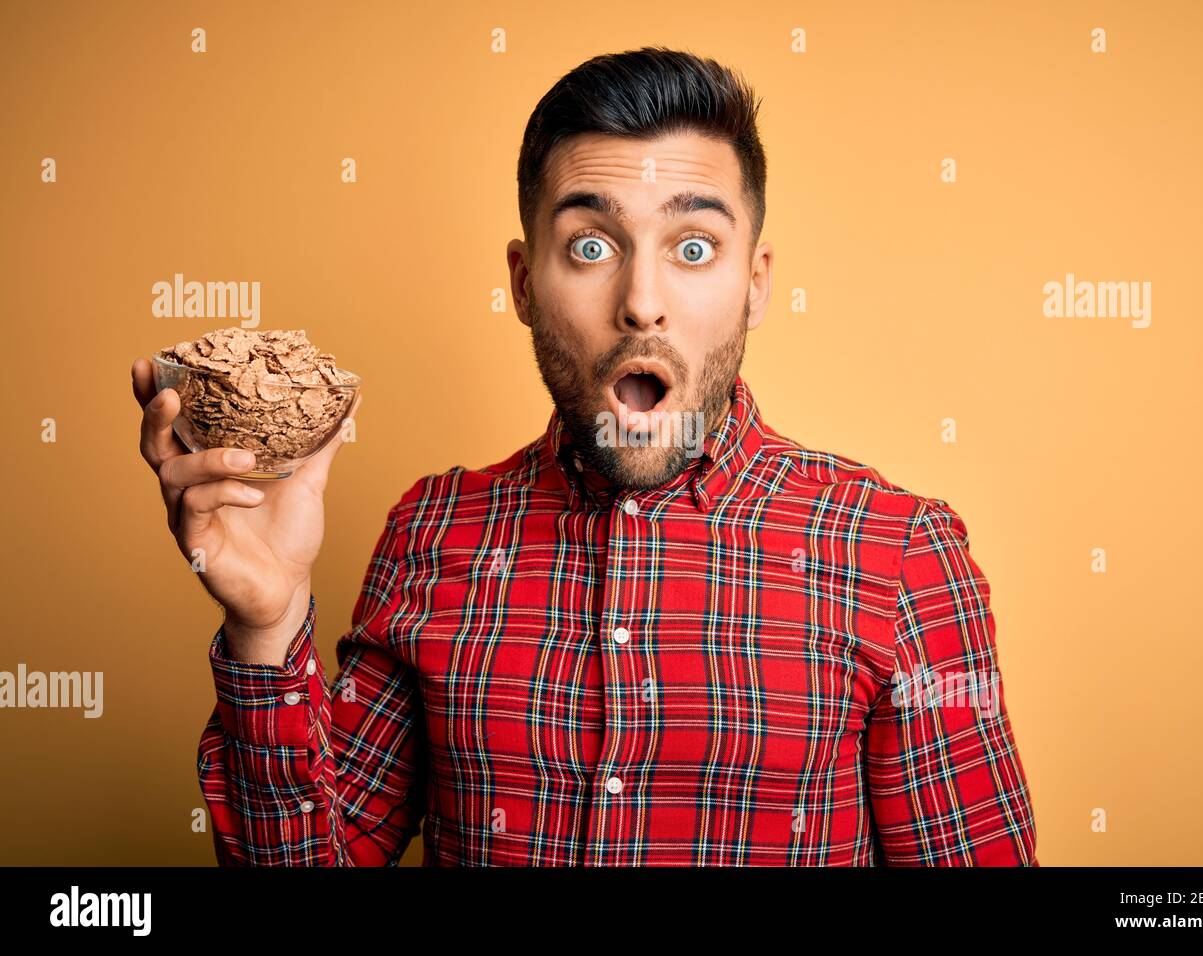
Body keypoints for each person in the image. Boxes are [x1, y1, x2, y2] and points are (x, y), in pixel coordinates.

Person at [131, 46, 1037, 866]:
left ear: (754, 286)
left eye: (693, 247)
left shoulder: (898, 554)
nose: (641, 302)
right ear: (525, 284)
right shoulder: (432, 532)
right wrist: (267, 623)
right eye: (592, 245)